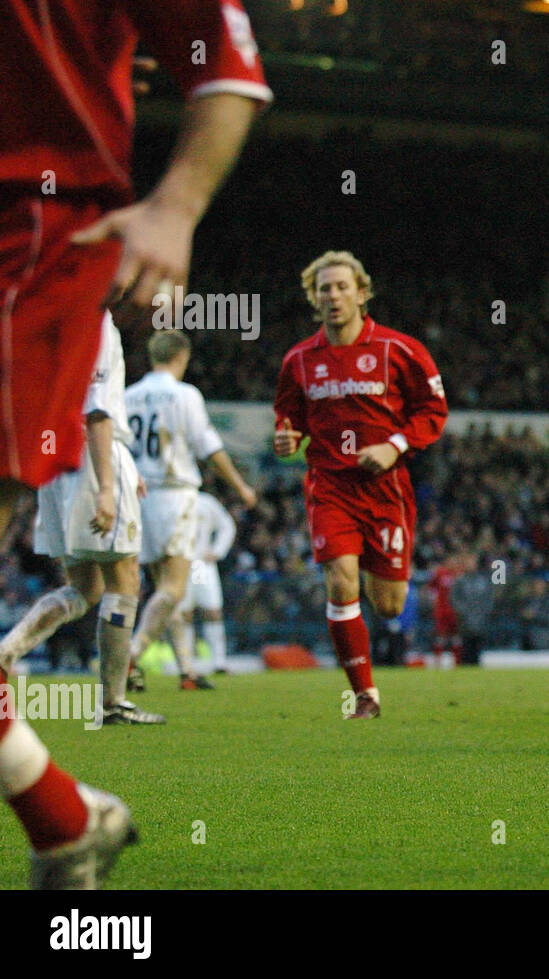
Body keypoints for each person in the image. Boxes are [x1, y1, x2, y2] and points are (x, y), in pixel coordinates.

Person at [0, 0, 269, 887]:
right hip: (127, 482)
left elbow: (224, 61)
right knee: (131, 590)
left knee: (115, 589)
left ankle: (75, 784)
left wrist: (176, 204)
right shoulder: (170, 382)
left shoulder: (130, 359)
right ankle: (67, 807)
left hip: (30, 236)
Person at [273, 251, 449, 719]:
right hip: (330, 487)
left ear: (362, 293)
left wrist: (394, 445)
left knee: (389, 605)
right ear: (313, 297)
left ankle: (380, 641)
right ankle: (364, 694)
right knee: (339, 579)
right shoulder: (299, 360)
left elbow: (433, 411)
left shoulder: (399, 350)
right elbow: (288, 418)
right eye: (324, 289)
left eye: (341, 287)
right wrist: (286, 437)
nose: (333, 296)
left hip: (386, 489)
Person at [0, 314, 160, 726]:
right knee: (124, 579)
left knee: (84, 588)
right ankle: (112, 702)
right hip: (93, 461)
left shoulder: (51, 316)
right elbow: (98, 410)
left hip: (57, 462)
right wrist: (109, 485)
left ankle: (6, 651)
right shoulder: (96, 318)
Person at [125, 330, 258, 692]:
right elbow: (209, 447)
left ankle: (187, 669)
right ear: (181, 357)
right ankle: (128, 657)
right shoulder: (185, 395)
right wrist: (241, 486)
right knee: (173, 588)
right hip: (175, 495)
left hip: (142, 498)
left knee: (165, 591)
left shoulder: (129, 395)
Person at [168, 489, 238, 679]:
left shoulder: (206, 502)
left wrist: (217, 550)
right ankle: (187, 665)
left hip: (200, 564)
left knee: (212, 610)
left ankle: (219, 662)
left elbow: (227, 526)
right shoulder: (169, 499)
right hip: (179, 563)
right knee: (184, 613)